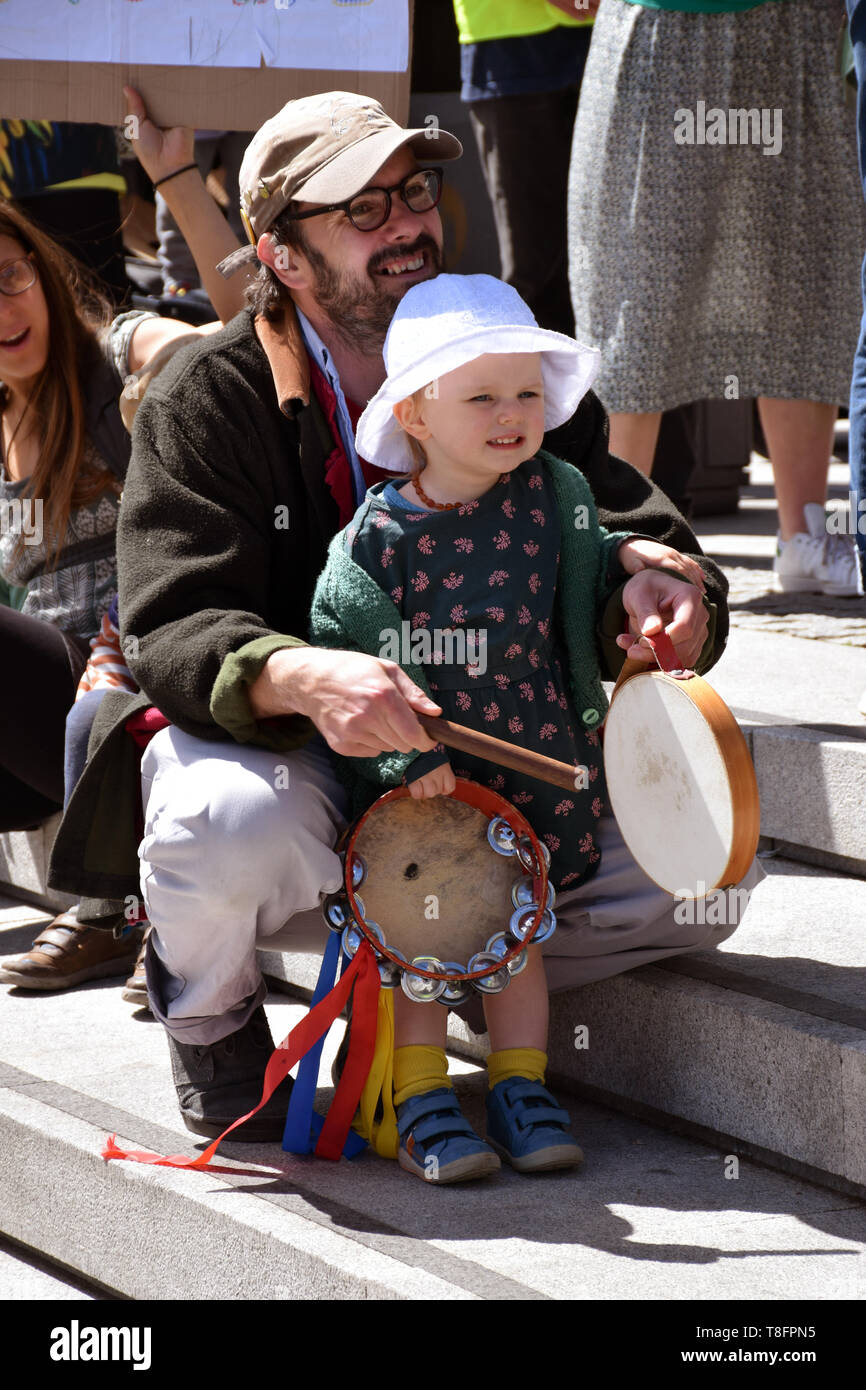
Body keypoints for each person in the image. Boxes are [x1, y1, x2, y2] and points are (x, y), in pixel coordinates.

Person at [49, 91, 735, 1145]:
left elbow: (635, 528)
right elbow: (173, 620)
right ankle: (212, 1011)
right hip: (301, 760)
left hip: (502, 753)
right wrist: (301, 676)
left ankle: (456, 950)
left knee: (708, 868)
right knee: (227, 826)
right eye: (360, 211)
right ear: (281, 257)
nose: (407, 221)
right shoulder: (208, 391)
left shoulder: (505, 356)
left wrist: (657, 591)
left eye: (414, 191)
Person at [306, 272, 759, 1183]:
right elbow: (346, 633)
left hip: (538, 770)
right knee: (424, 950)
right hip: (430, 793)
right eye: (480, 396)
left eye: (526, 393)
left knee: (520, 941)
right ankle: (426, 1097)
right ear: (417, 417)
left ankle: (521, 1086)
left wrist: (630, 579)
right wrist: (403, 754)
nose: (511, 413)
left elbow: (586, 578)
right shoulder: (377, 538)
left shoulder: (556, 493)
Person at [567, 0, 863, 599]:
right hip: (658, 21)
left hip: (793, 21)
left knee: (805, 269)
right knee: (636, 291)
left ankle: (805, 534)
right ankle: (618, 545)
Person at [0, 198, 217, 993]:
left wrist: (176, 178)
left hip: (133, 676)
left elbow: (209, 350)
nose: (2, 310)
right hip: (39, 727)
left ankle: (117, 903)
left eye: (9, 277)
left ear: (42, 270)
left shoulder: (115, 351)